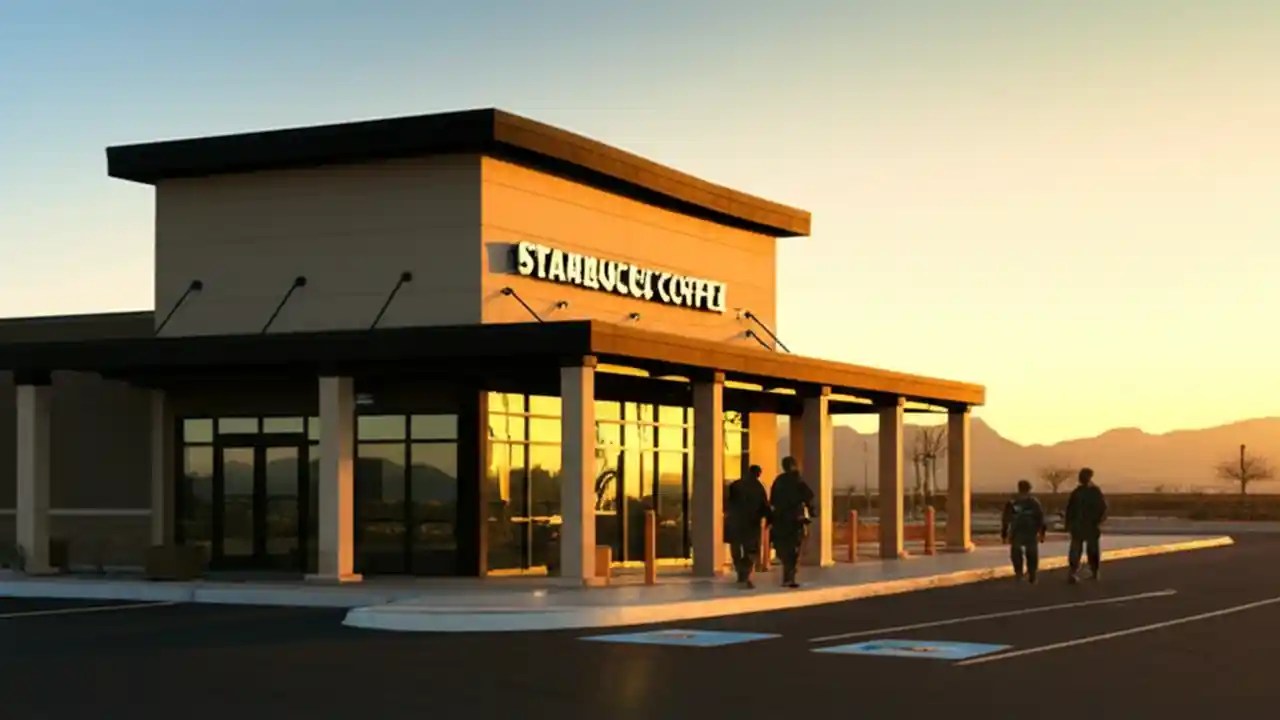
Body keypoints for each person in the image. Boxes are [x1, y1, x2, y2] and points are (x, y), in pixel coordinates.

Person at [769, 456, 814, 588]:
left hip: (781, 520)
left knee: (784, 547)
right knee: (794, 548)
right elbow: (808, 497)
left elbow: (773, 501)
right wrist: (811, 512)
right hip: (794, 519)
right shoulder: (797, 480)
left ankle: (788, 575)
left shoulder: (779, 481)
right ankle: (790, 575)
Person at [725, 464, 772, 588]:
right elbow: (765, 506)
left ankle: (740, 570)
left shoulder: (735, 485)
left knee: (736, 548)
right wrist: (769, 519)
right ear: (758, 474)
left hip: (735, 522)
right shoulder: (758, 488)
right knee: (750, 550)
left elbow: (727, 503)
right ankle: (745, 573)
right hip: (751, 523)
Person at [1064, 467, 1108, 583]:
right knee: (1086, 549)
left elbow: (1070, 510)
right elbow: (1102, 508)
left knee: (1081, 549)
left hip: (1084, 525)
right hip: (1085, 525)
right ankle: (1089, 572)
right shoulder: (1090, 492)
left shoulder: (1082, 492)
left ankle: (1078, 572)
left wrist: (1068, 523)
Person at [1001, 479, 1047, 583]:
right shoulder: (1034, 502)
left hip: (1017, 531)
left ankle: (1019, 573)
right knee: (1032, 553)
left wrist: (1004, 533)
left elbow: (1006, 519)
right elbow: (1040, 518)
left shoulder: (1012, 502)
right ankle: (1032, 574)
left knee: (1016, 553)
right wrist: (1042, 533)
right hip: (1031, 531)